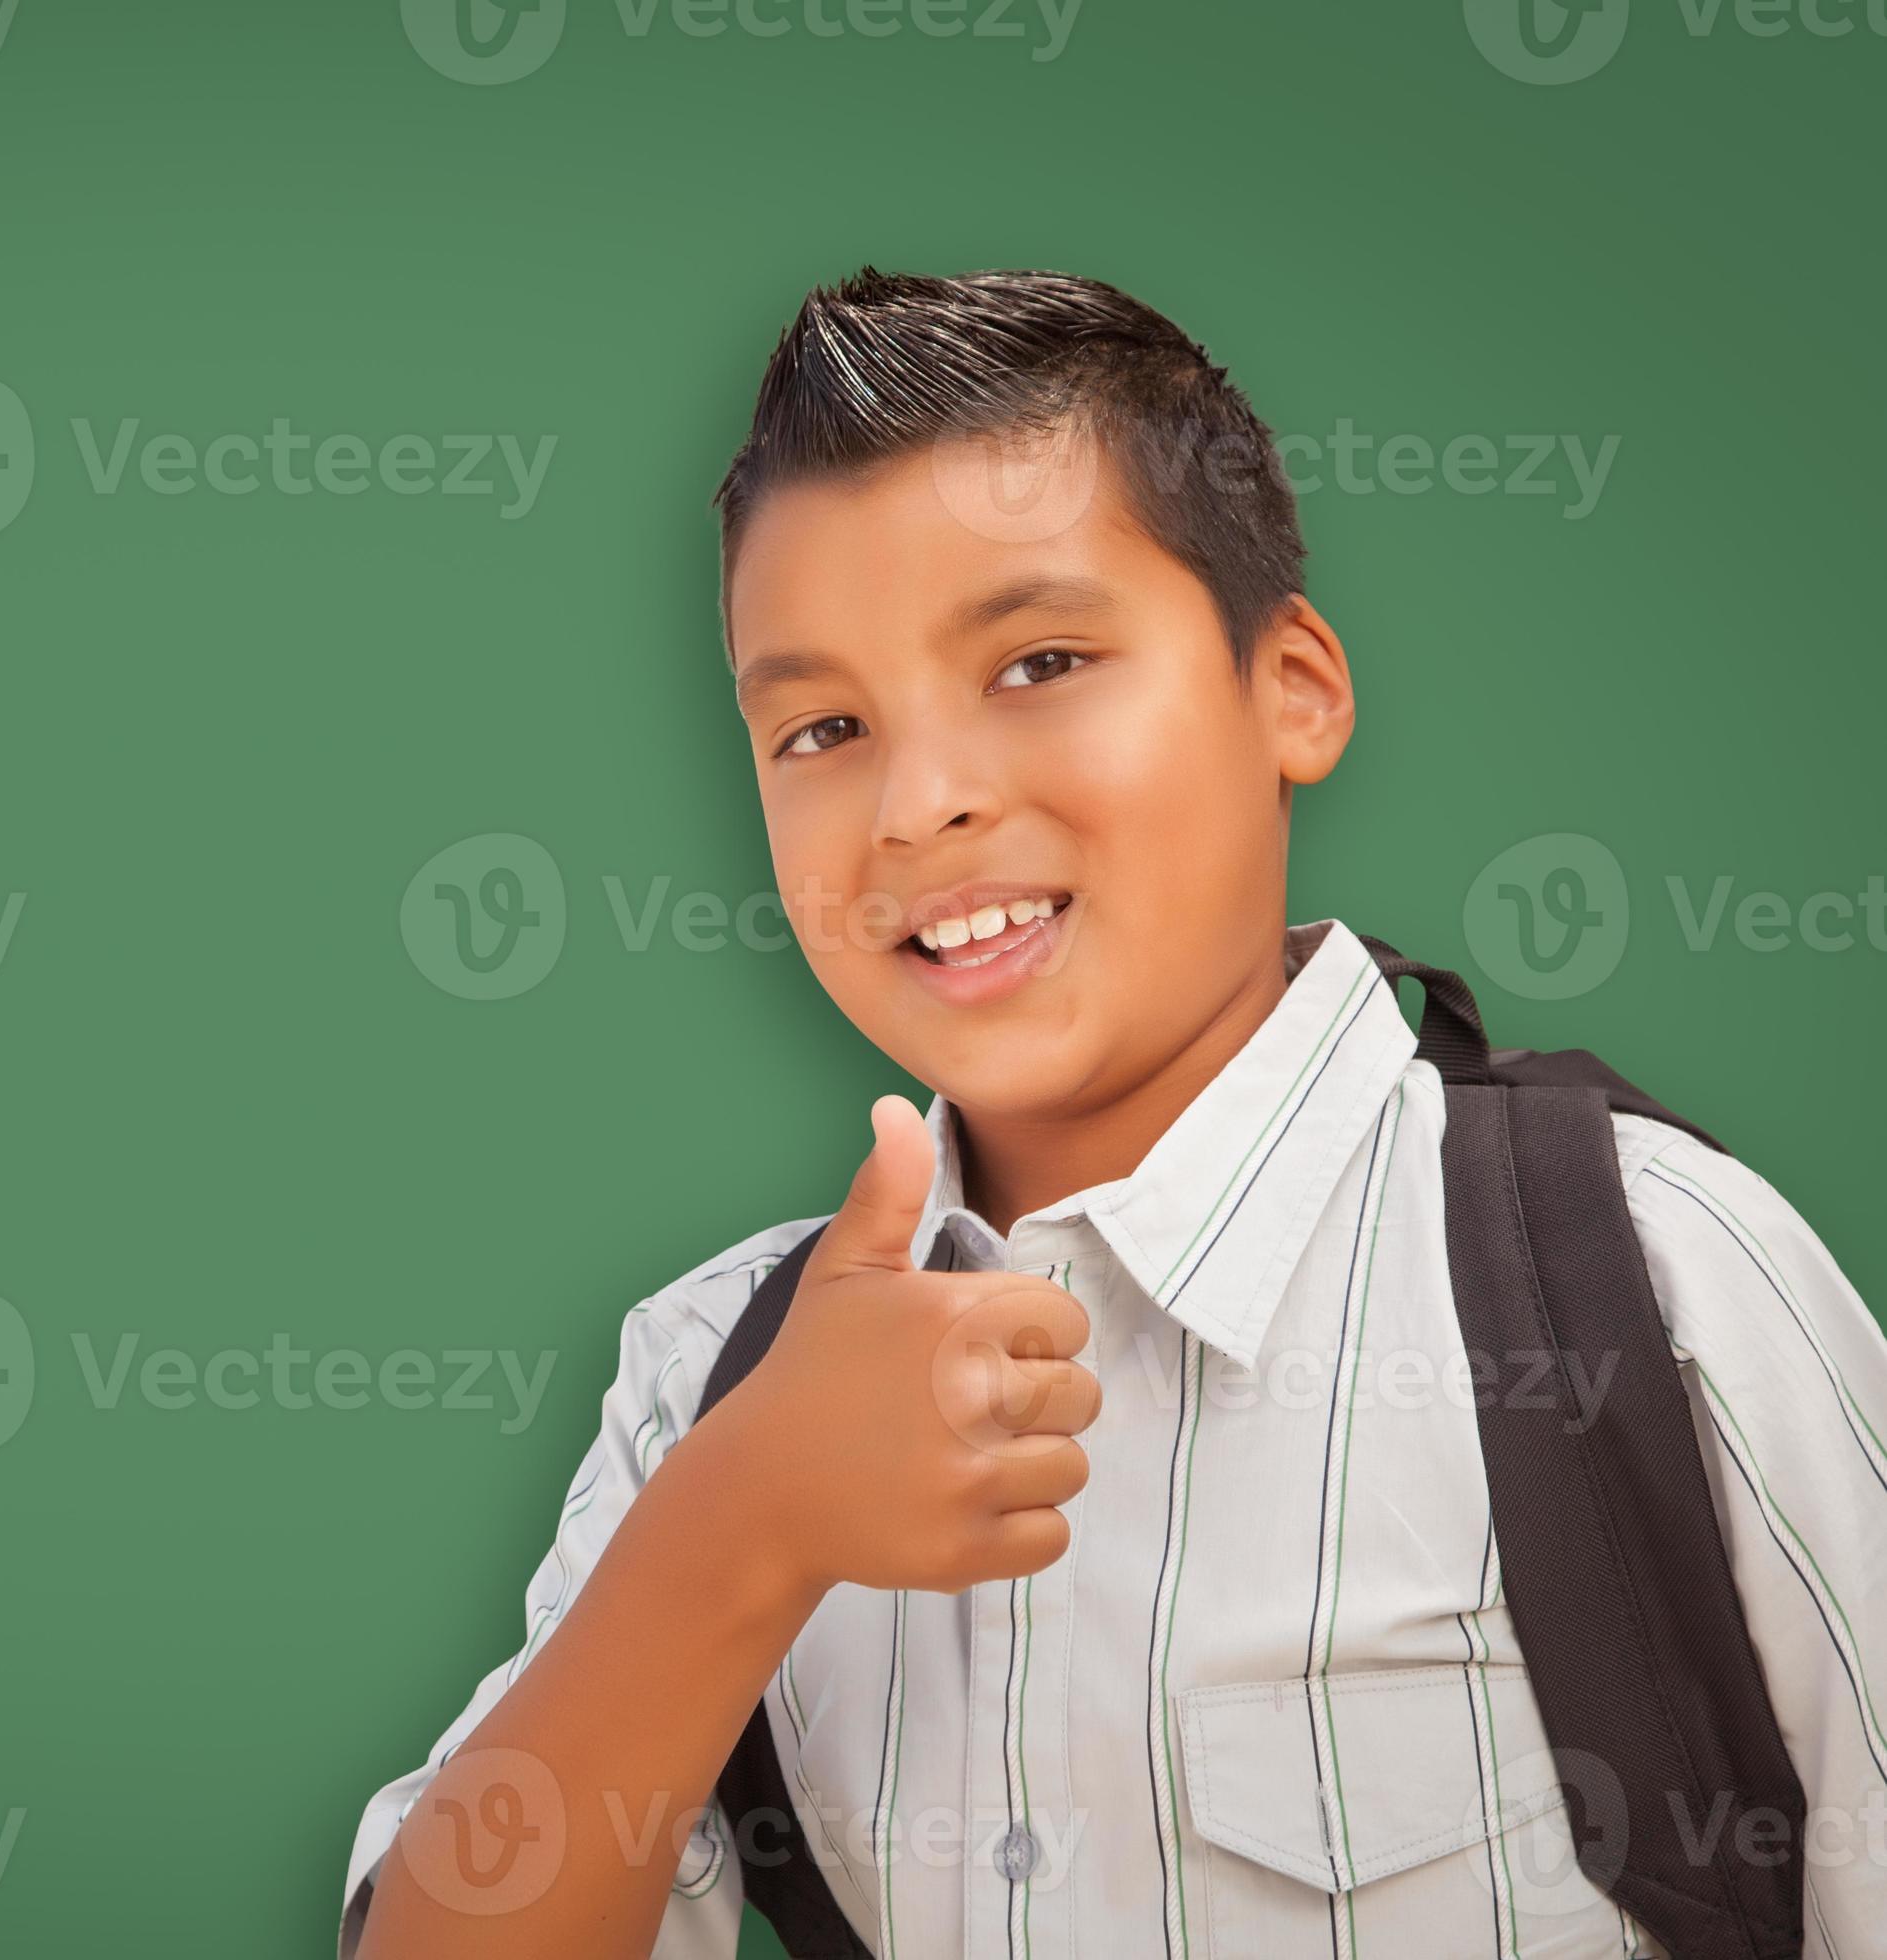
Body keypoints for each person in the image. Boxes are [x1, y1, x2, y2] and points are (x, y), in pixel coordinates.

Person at [339, 269, 1887, 1959]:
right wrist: (738, 1530)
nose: (922, 801)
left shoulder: (1646, 1280)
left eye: (1040, 661)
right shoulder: (720, 1378)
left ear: (1292, 687)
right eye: (824, 726)